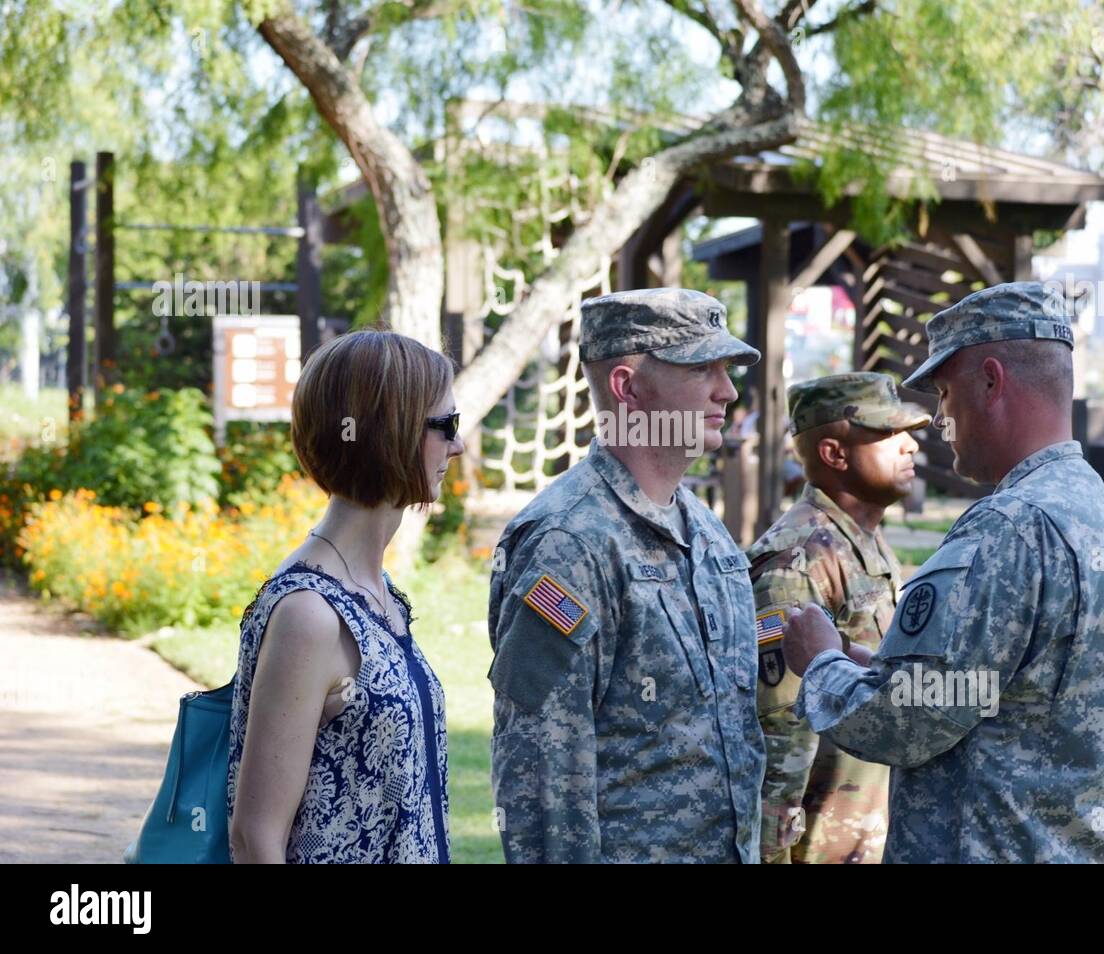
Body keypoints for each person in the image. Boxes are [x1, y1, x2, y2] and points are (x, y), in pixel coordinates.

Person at [783, 281, 1104, 863]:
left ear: (990, 380)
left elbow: (903, 723)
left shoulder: (1009, 528)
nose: (939, 419)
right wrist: (879, 669)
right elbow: (1014, 694)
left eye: (944, 392)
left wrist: (821, 662)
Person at [488, 288, 766, 863]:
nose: (728, 391)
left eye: (726, 369)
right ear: (627, 386)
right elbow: (542, 781)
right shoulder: (568, 544)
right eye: (701, 368)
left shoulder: (708, 535)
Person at [227, 329, 464, 863]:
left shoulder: (377, 595)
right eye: (446, 425)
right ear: (391, 432)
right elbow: (254, 838)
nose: (459, 444)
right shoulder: (311, 613)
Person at [748, 372, 930, 863]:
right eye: (888, 434)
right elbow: (781, 735)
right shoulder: (799, 560)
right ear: (834, 454)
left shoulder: (862, 539)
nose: (910, 445)